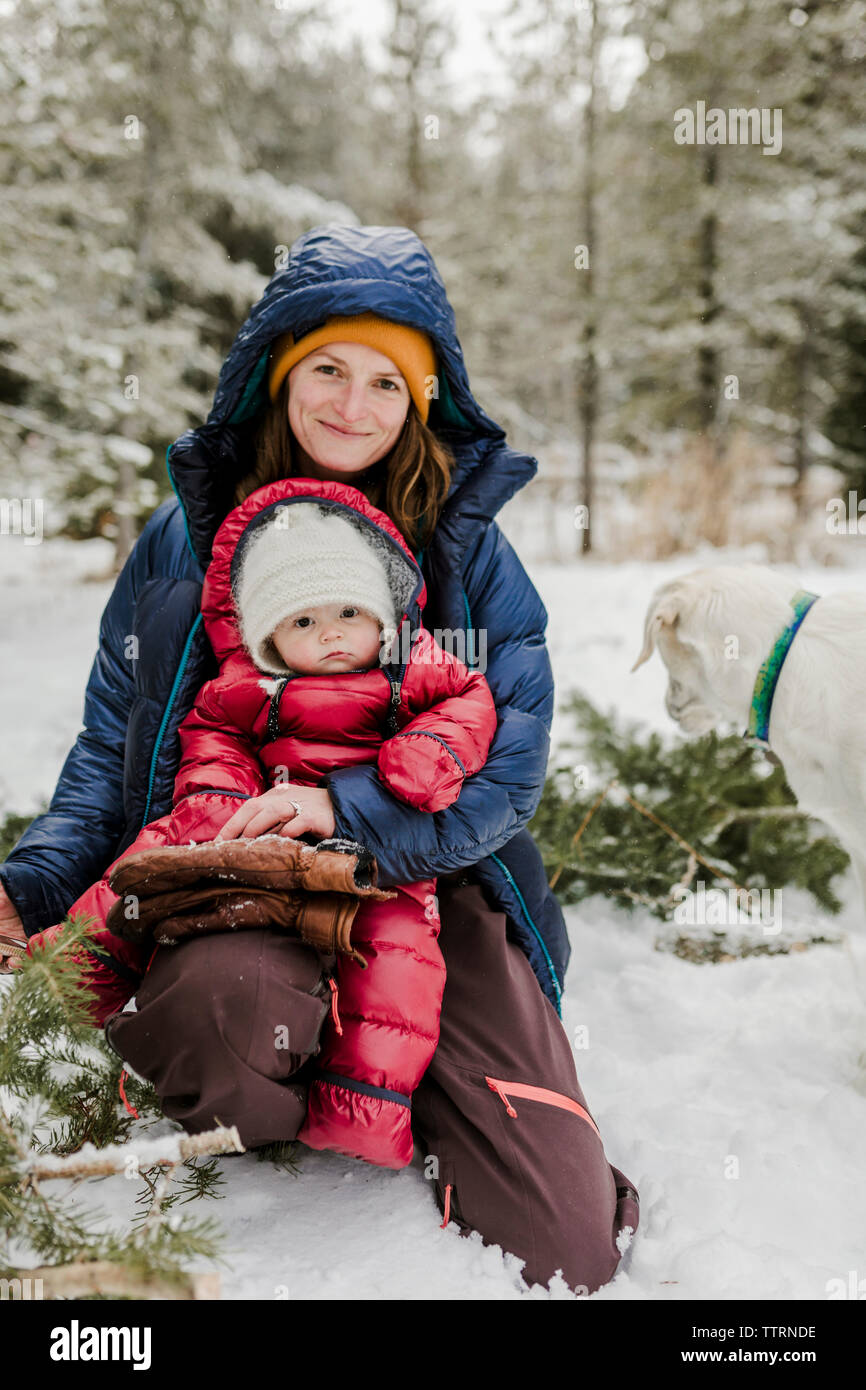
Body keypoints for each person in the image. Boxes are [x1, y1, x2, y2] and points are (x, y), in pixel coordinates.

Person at [0, 224, 638, 1293]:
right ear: (276, 375)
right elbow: (114, 742)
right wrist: (31, 886)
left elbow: (505, 768)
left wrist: (344, 814)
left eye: (387, 382)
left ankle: (422, 1069)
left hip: (435, 878)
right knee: (223, 1030)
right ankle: (289, 1068)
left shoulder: (466, 549)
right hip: (228, 870)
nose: (353, 404)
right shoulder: (182, 540)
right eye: (327, 370)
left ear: (421, 402)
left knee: (563, 1239)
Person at [33, 482, 499, 1172]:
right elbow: (213, 738)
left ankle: (359, 1109)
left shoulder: (418, 670)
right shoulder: (247, 690)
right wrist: (218, 803)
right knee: (154, 863)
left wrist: (420, 762)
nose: (333, 633)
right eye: (303, 623)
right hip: (263, 832)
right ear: (269, 636)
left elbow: (469, 705)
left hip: (372, 846)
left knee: (395, 962)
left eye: (349, 611)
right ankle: (71, 975)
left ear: (384, 615)